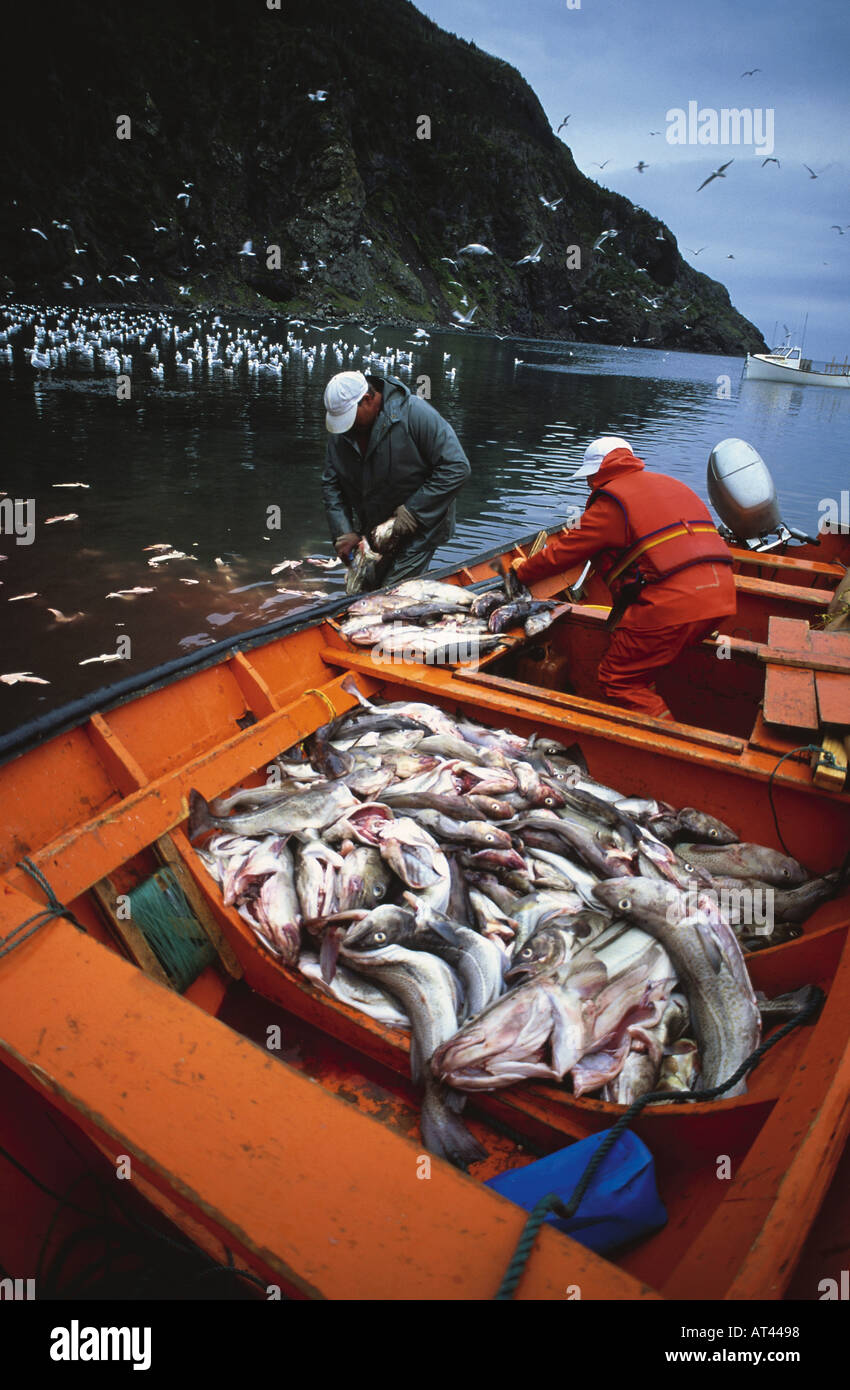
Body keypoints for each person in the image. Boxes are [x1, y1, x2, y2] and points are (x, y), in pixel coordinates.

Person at [512, 436, 737, 721]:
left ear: (596, 475)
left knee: (618, 679)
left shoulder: (612, 502)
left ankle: (671, 749)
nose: (588, 485)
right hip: (722, 598)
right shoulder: (672, 485)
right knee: (643, 665)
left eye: (589, 479)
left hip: (674, 606)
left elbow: (565, 553)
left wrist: (521, 571)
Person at [321, 369, 471, 588]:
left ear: (368, 399)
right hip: (376, 528)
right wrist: (343, 532)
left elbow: (456, 467)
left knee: (390, 596)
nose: (347, 426)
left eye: (350, 417)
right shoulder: (342, 434)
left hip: (422, 528)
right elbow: (331, 485)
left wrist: (414, 512)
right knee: (362, 590)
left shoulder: (415, 414)